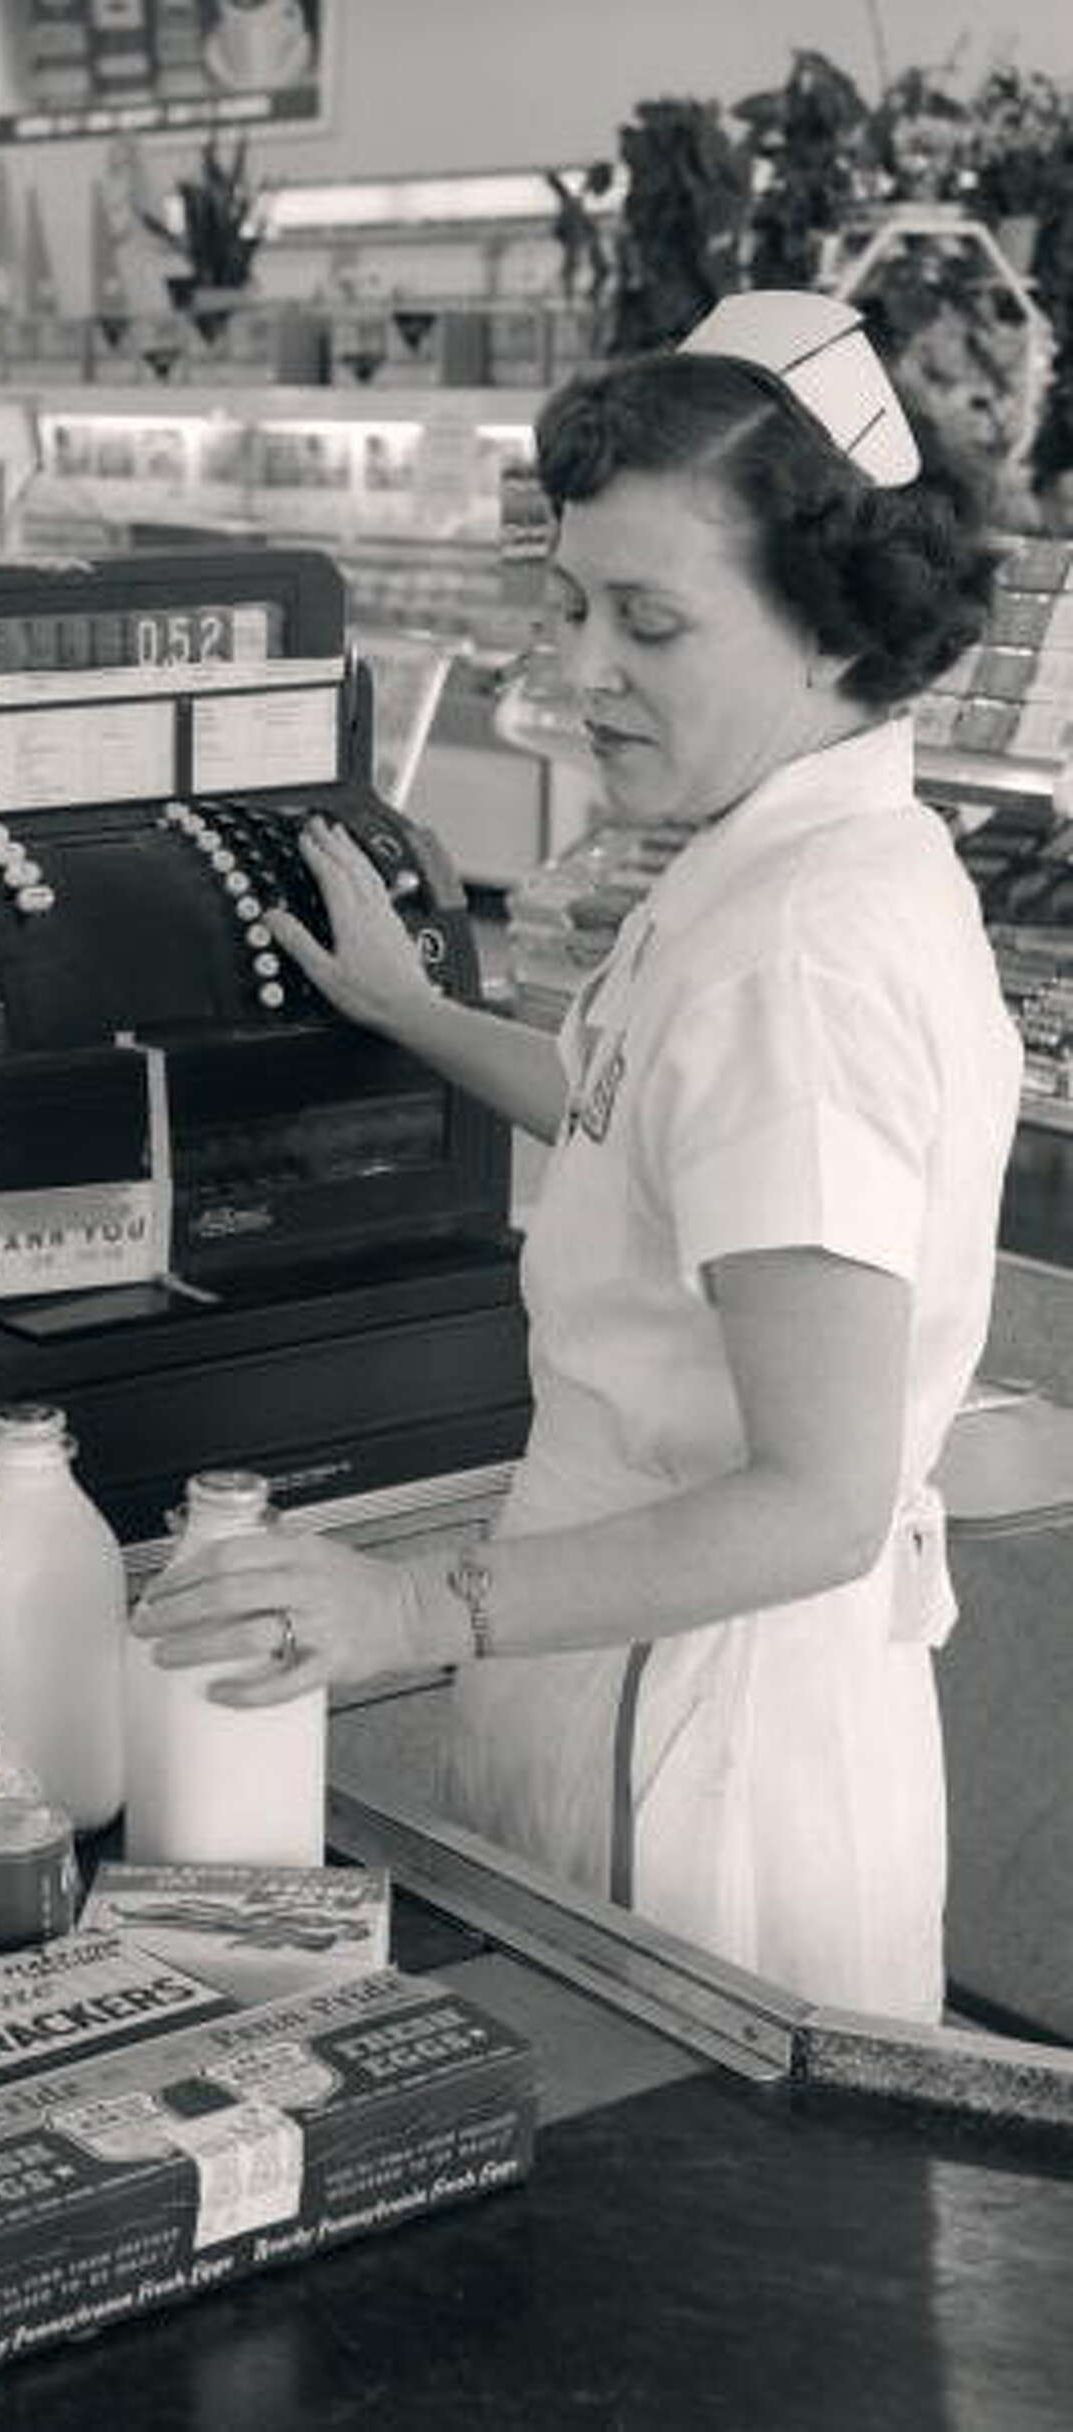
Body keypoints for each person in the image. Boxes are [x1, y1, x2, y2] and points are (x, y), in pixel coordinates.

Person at [132, 290, 1021, 2022]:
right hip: (633, 1675)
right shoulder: (790, 861)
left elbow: (818, 1501)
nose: (580, 669)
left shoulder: (800, 962)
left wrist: (400, 1613)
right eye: (568, 604)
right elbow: (647, 1127)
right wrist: (410, 1009)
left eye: (651, 624)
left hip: (703, 1751)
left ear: (831, 632)